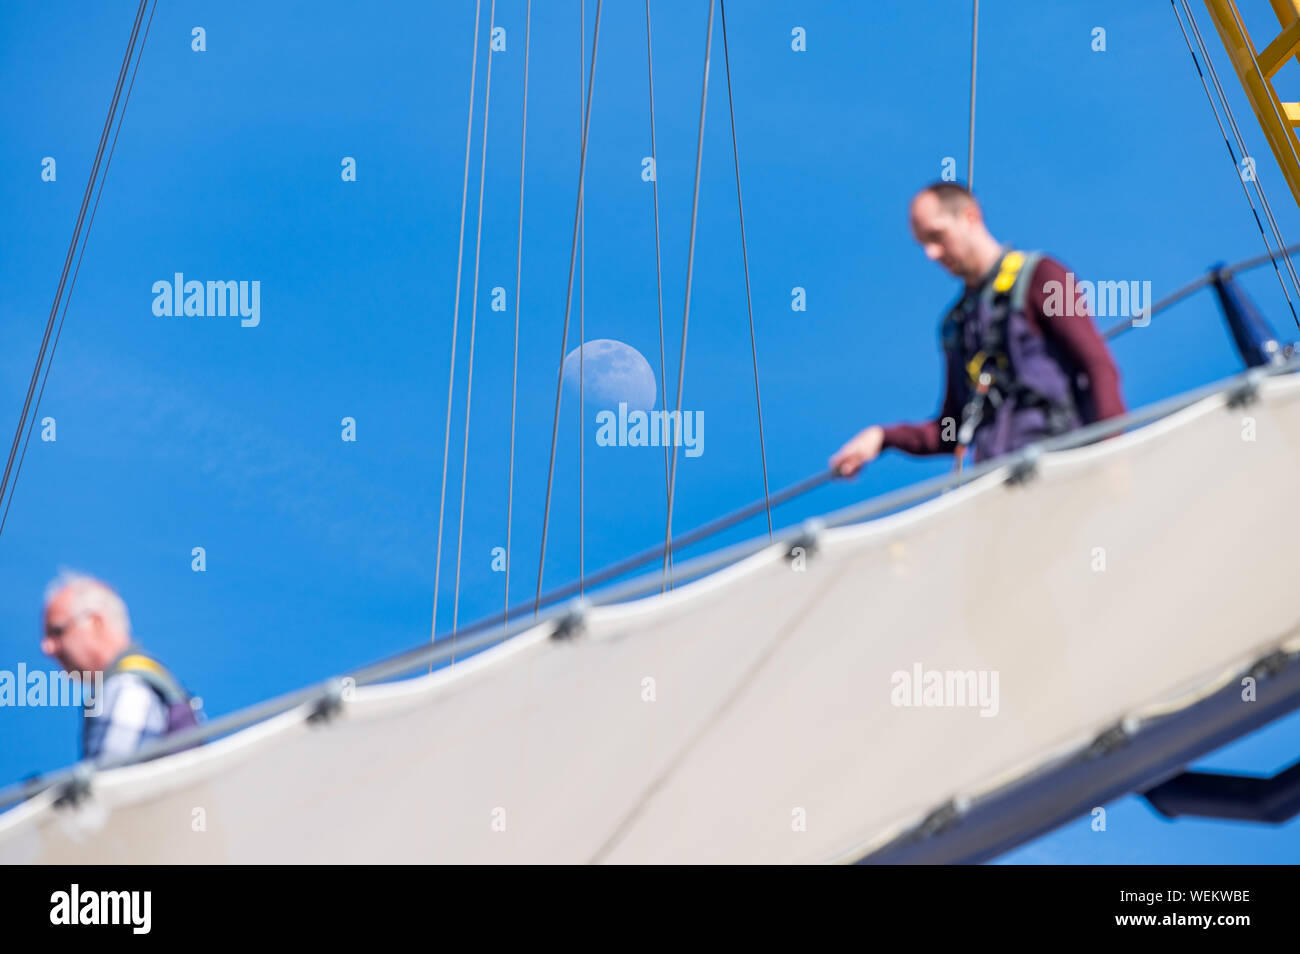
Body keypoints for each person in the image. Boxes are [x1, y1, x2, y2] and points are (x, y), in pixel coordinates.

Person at [831, 182, 1125, 476]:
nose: (931, 253)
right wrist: (883, 438)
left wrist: (1113, 456)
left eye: (937, 236)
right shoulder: (957, 325)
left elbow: (1097, 366)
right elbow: (950, 430)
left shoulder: (1042, 277)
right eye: (923, 243)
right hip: (1000, 488)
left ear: (970, 216)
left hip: (1061, 467)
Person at [41, 572, 200, 763]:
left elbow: (107, 786)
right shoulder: (143, 678)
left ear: (95, 623)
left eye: (57, 631)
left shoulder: (126, 687)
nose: (47, 648)